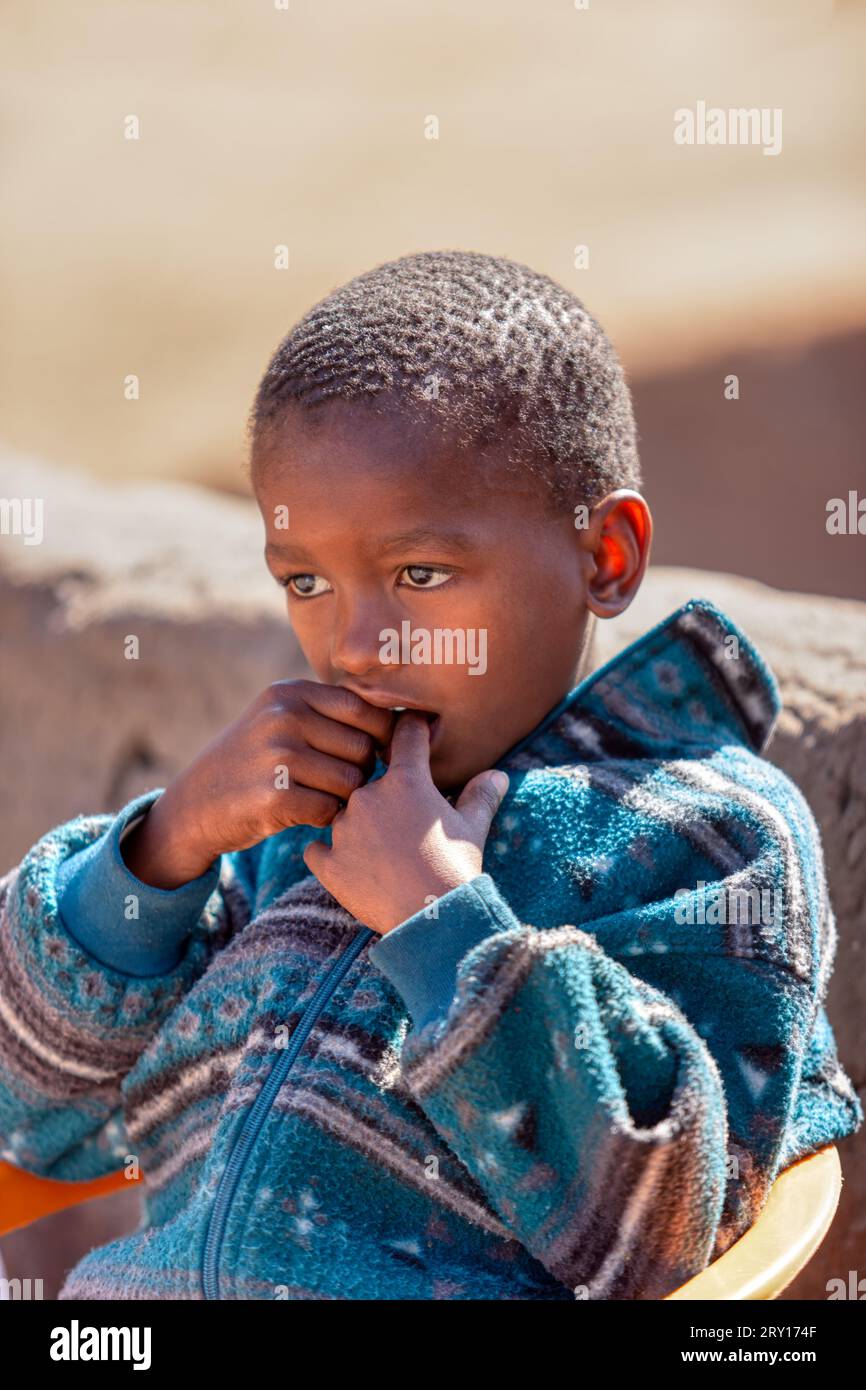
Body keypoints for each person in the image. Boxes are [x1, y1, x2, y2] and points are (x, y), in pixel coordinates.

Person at [0, 250, 859, 1300]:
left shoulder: (702, 839)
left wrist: (443, 922)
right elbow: (29, 1120)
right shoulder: (286, 833)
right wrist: (161, 848)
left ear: (605, 556)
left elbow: (656, 1224)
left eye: (418, 573)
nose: (354, 644)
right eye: (306, 581)